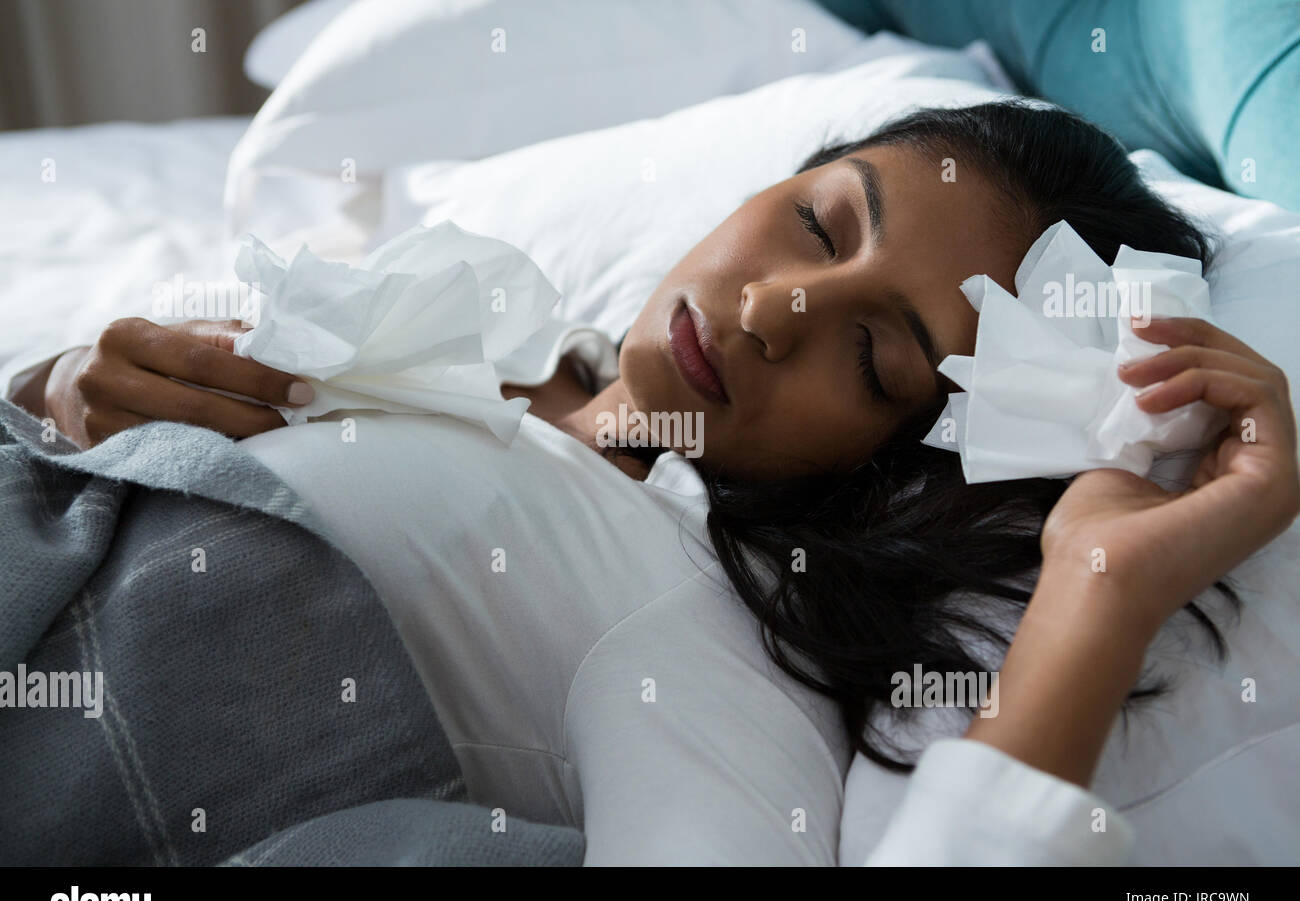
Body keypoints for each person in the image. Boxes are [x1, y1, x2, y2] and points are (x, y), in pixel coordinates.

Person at [9, 103, 1298, 862]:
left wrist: (1095, 590)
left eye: (871, 354)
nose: (779, 309)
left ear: (896, 471)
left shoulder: (686, 648)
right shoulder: (472, 322)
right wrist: (64, 388)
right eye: (817, 224)